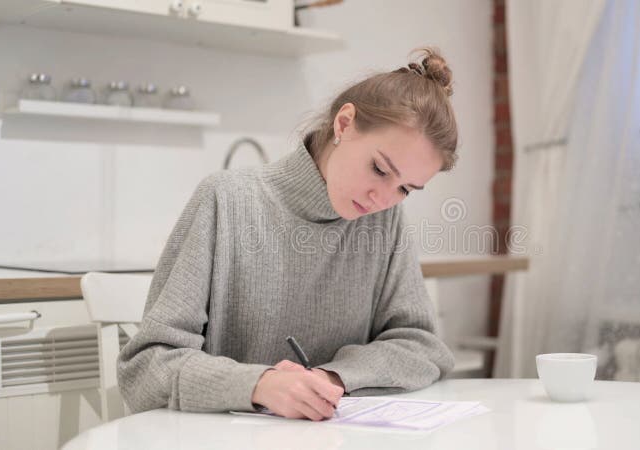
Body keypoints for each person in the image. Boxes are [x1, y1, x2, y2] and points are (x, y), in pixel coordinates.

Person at [118, 47, 458, 421]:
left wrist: (331, 377)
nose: (383, 198)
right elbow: (144, 370)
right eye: (378, 168)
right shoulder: (226, 199)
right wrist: (260, 384)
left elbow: (423, 346)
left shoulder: (383, 221)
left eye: (405, 189)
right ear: (344, 124)